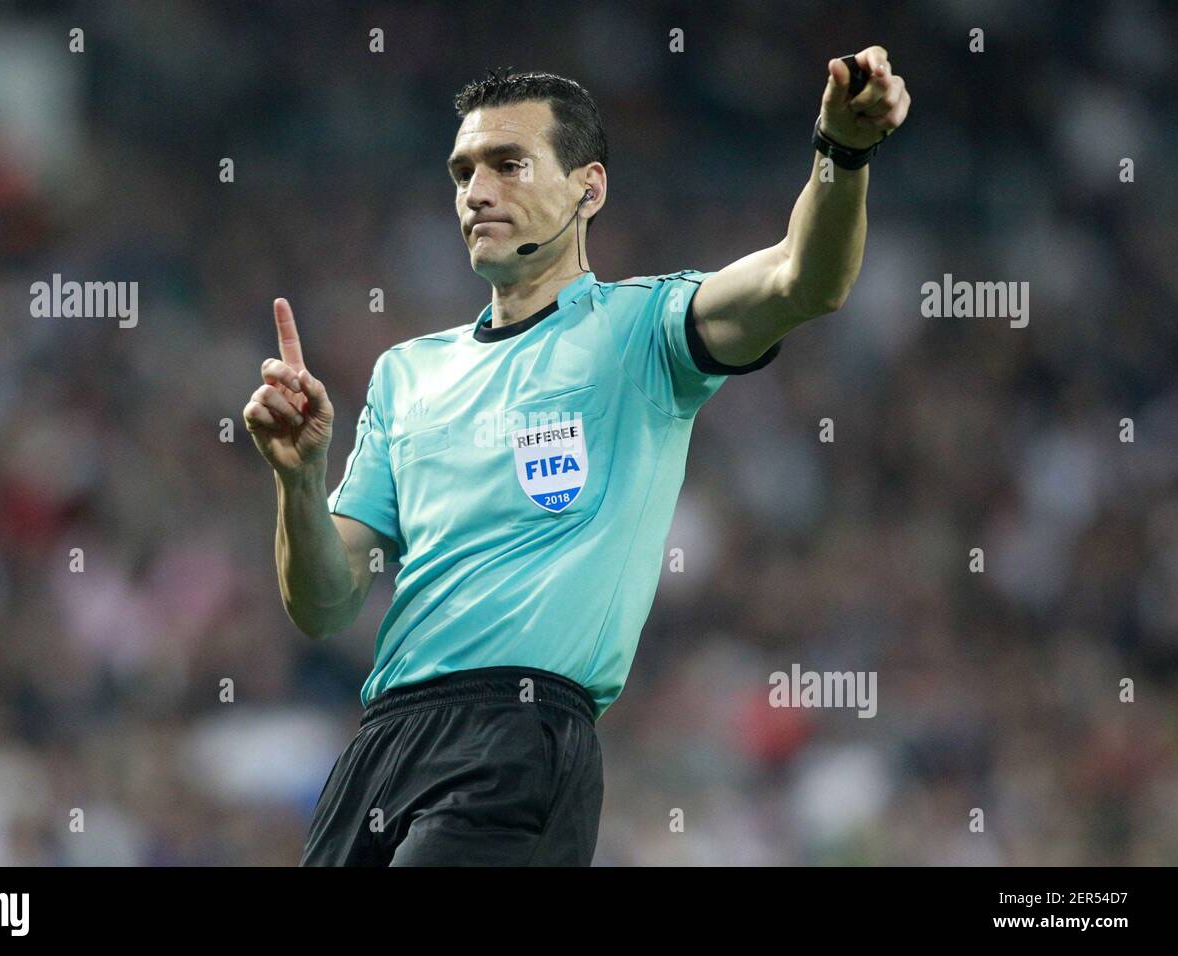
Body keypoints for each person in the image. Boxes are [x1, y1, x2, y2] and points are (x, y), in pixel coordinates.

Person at [242, 52, 910, 866]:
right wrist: (298, 479)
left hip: (516, 740)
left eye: (508, 165)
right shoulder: (406, 374)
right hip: (379, 748)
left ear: (588, 188)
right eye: (462, 172)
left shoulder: (641, 331)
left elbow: (804, 280)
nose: (476, 191)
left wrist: (841, 152)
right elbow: (325, 603)